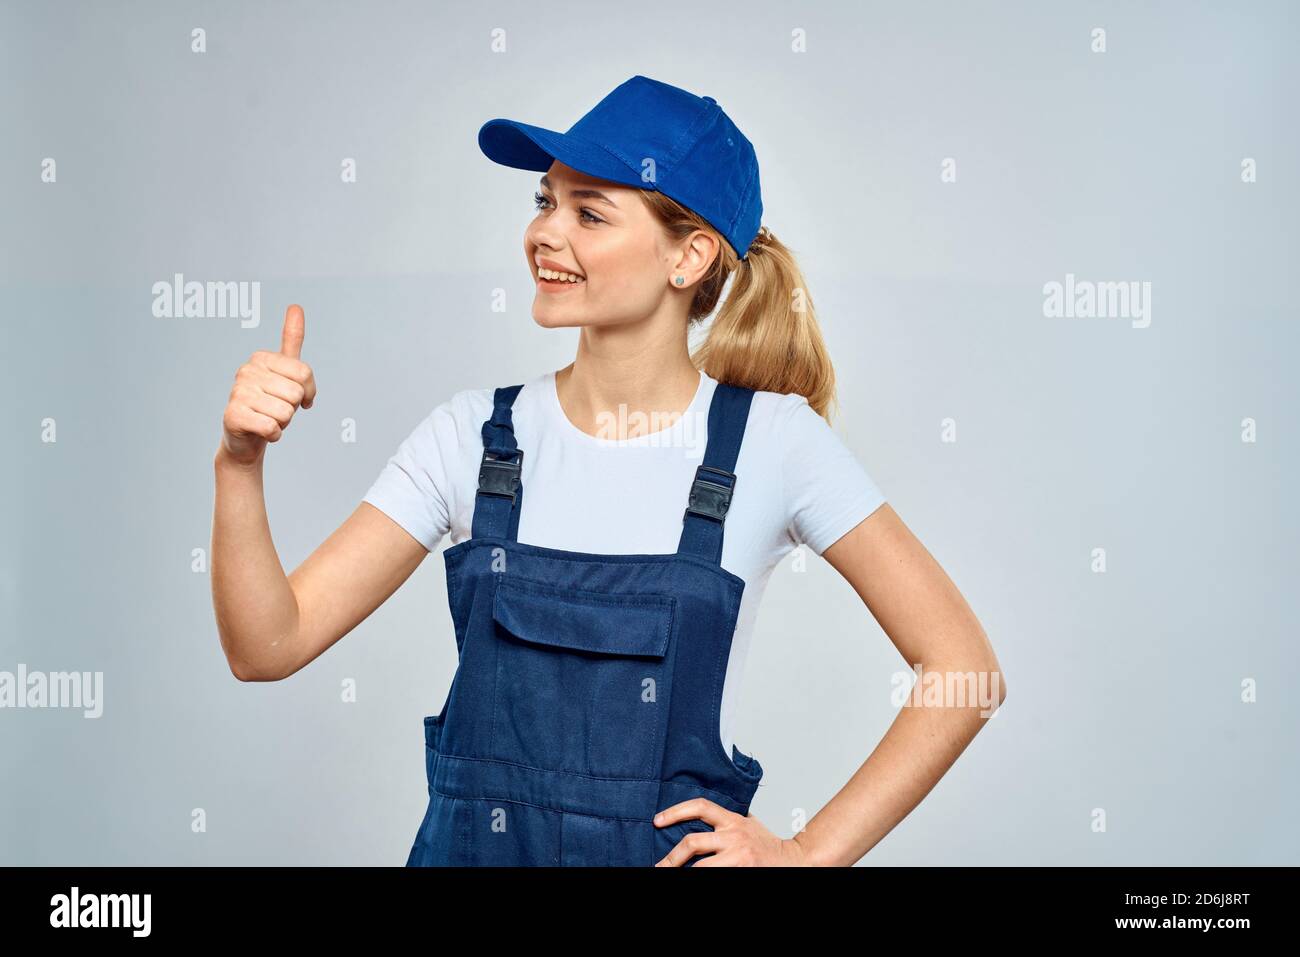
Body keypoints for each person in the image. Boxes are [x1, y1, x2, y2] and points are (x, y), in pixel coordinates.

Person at [210, 75, 1006, 867]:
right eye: (544, 202)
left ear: (688, 255)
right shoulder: (473, 439)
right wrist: (240, 466)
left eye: (589, 212)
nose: (547, 234)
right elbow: (267, 645)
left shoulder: (773, 444)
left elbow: (964, 669)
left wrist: (806, 853)